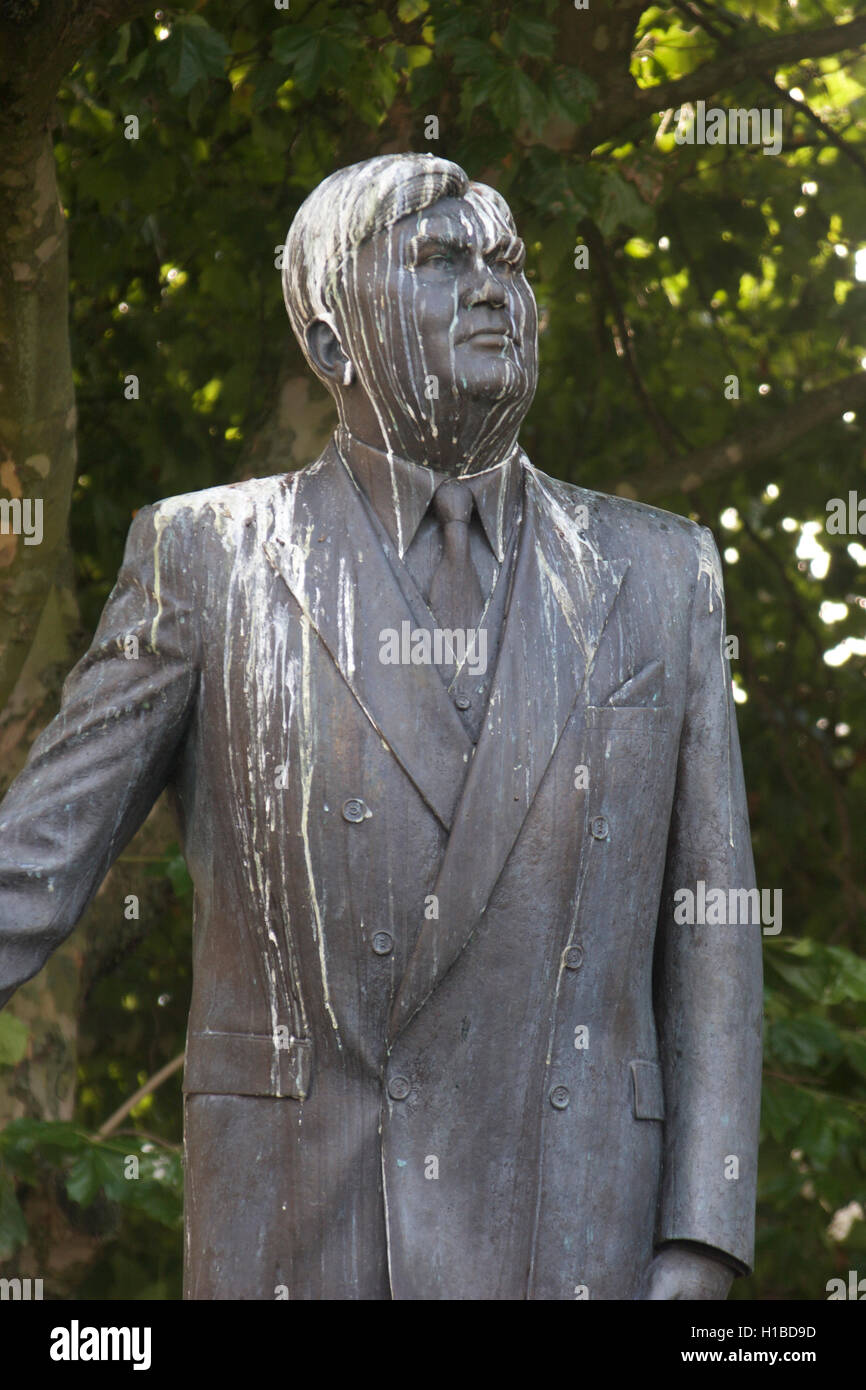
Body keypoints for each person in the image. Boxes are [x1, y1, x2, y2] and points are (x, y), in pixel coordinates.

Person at [0, 152, 762, 1299]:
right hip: (305, 1225)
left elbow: (710, 926)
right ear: (328, 344)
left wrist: (700, 1239)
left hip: (577, 1226)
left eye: (507, 260)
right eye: (440, 258)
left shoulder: (655, 569)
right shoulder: (206, 558)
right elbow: (33, 865)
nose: (494, 286)